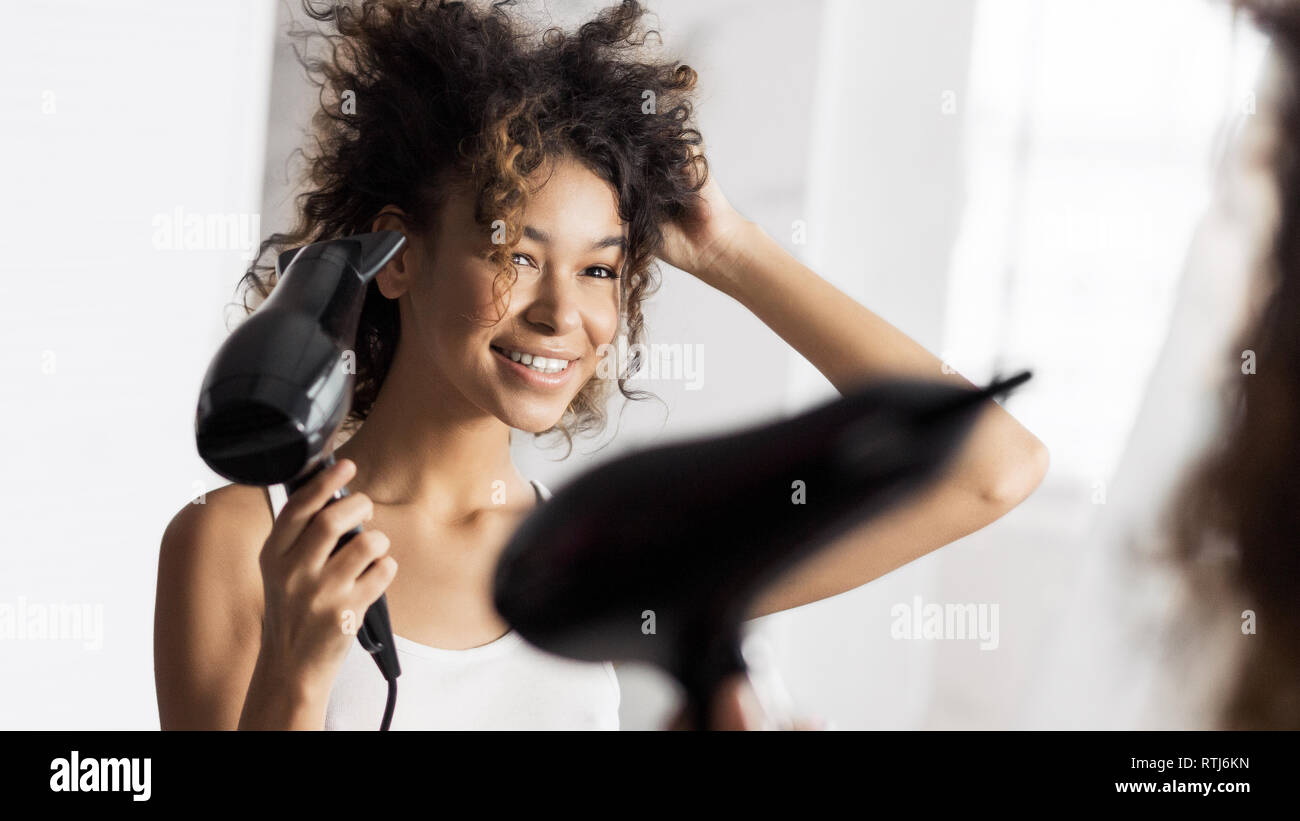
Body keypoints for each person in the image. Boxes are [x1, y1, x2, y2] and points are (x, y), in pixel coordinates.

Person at [155, 0, 1048, 731]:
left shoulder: (604, 557)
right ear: (397, 257)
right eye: (515, 253)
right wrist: (296, 678)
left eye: (598, 268)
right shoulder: (245, 544)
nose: (562, 313)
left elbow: (990, 466)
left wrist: (732, 249)